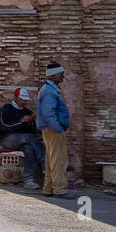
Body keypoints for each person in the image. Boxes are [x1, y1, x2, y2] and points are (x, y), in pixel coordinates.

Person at [0, 87, 45, 189]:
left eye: (25, 100)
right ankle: (45, 164)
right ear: (15, 97)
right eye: (21, 99)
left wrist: (32, 122)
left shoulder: (27, 111)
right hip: (7, 139)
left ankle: (29, 180)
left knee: (29, 149)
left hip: (24, 141)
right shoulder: (6, 108)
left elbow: (31, 131)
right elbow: (3, 126)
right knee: (29, 138)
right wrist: (20, 122)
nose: (24, 102)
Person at [36, 61, 72, 197]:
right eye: (61, 74)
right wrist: (57, 127)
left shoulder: (48, 89)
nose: (63, 76)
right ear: (53, 75)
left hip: (49, 129)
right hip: (53, 129)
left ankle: (49, 188)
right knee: (59, 160)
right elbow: (48, 112)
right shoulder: (50, 91)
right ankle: (60, 189)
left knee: (51, 159)